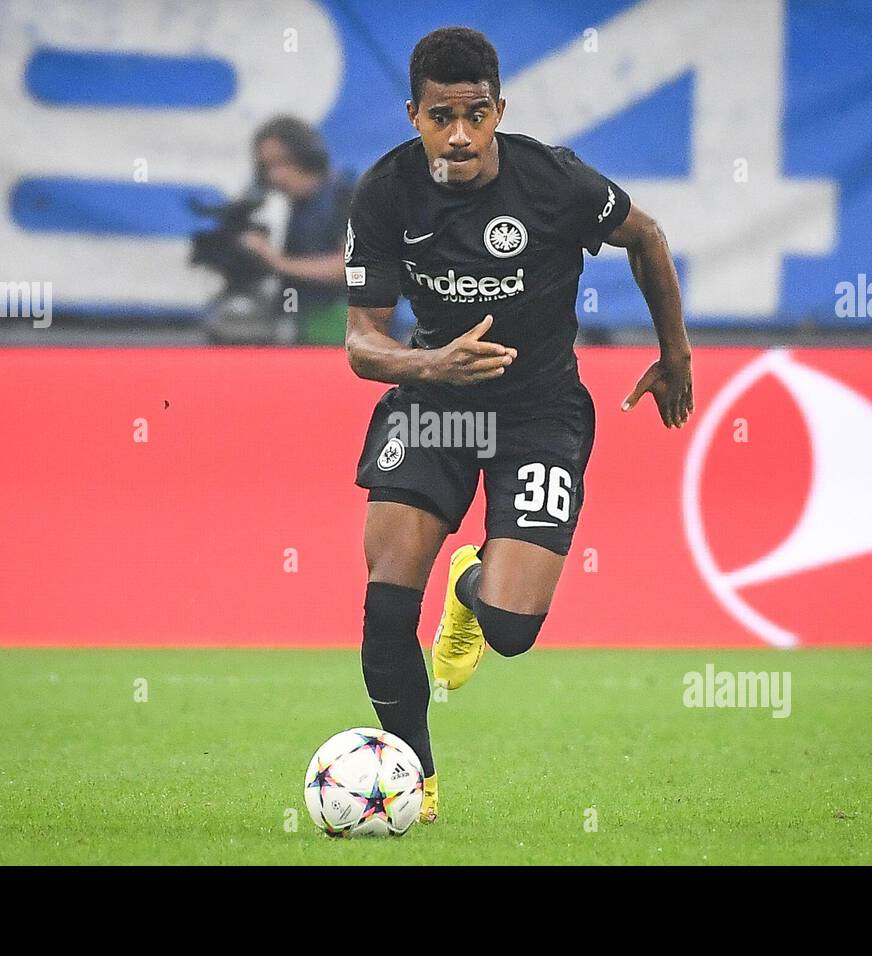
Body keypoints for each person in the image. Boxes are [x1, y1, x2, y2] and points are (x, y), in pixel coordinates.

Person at [343, 27, 695, 823]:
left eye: (475, 114)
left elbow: (646, 235)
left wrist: (675, 356)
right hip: (434, 404)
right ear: (413, 115)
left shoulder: (554, 182)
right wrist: (431, 367)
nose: (459, 134)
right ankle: (415, 781)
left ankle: (472, 585)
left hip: (539, 414)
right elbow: (362, 342)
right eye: (441, 116)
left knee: (510, 628)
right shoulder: (385, 193)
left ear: (500, 110)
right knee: (388, 602)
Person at [202, 116, 353, 345]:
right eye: (267, 167)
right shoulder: (267, 203)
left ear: (308, 157)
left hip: (340, 319)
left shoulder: (345, 195)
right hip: (286, 313)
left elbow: (352, 267)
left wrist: (278, 262)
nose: (276, 176)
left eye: (284, 163)